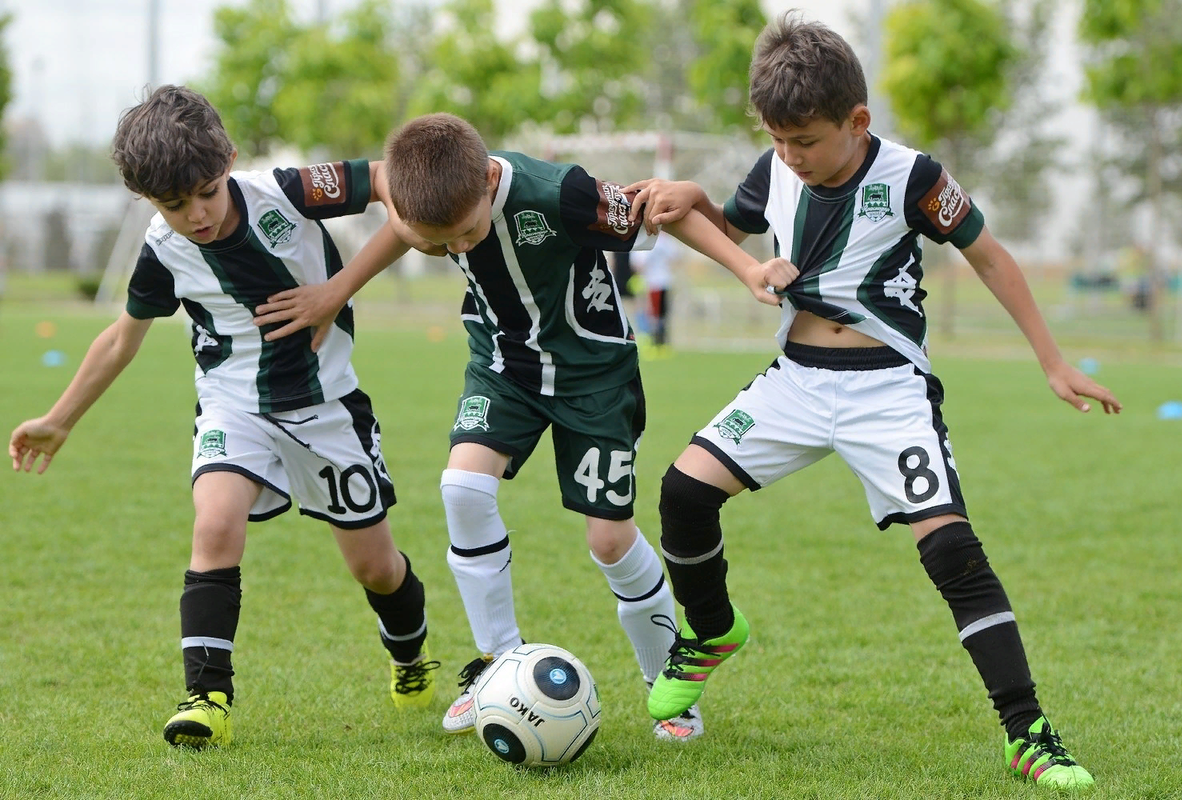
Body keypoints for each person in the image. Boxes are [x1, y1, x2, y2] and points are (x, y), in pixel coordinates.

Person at [625, 14, 1121, 791]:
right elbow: (739, 234)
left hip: (887, 390)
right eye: (779, 141)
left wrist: (1053, 361)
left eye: (807, 142)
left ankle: (1028, 733)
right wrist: (695, 201)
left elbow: (990, 256)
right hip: (794, 380)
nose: (792, 156)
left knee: (952, 550)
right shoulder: (778, 162)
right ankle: (714, 633)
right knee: (684, 491)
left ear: (859, 122)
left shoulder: (915, 176)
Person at [250, 112, 795, 742]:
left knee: (609, 541)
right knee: (462, 489)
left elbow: (662, 215)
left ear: (487, 182)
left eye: (464, 234)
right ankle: (497, 666)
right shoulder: (435, 199)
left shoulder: (560, 192)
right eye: (440, 242)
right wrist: (338, 290)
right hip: (502, 367)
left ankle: (668, 691)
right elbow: (404, 230)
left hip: (594, 378)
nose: (455, 248)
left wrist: (748, 268)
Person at [7, 85, 438, 749]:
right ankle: (206, 696)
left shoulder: (289, 190)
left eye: (207, 192)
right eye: (174, 205)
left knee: (375, 568)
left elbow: (391, 183)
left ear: (230, 161)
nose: (197, 214)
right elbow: (123, 336)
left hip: (326, 406)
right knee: (214, 524)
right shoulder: (163, 248)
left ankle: (410, 658)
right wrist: (61, 419)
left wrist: (336, 291)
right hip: (233, 403)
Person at [630, 232, 684, 357]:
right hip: (660, 281)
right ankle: (658, 342)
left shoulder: (652, 241)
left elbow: (639, 263)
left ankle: (658, 343)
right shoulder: (663, 240)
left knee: (655, 314)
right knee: (658, 314)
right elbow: (676, 257)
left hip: (655, 282)